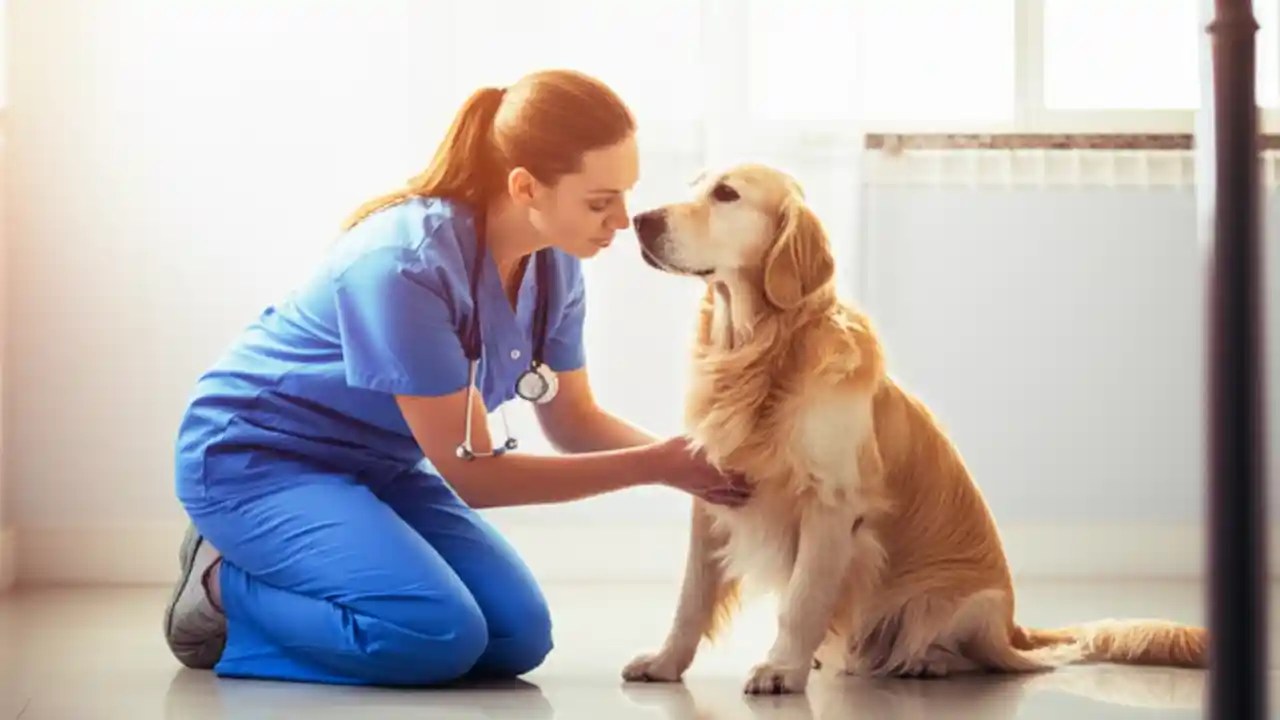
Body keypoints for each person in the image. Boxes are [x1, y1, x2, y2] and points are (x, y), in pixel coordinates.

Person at [164, 69, 750, 687]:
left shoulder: (553, 263)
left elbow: (574, 421)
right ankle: (220, 585)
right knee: (433, 637)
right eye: (601, 202)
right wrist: (658, 466)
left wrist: (702, 463)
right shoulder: (401, 264)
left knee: (515, 637)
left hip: (379, 465)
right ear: (526, 187)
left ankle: (311, 569)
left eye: (625, 194)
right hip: (259, 460)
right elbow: (474, 475)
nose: (623, 220)